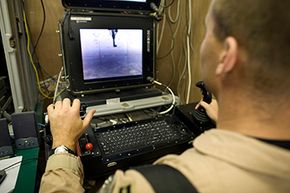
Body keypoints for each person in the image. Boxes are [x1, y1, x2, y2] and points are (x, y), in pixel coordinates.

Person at [40, 0, 290, 192]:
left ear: (227, 56)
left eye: (208, 32)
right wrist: (229, 123)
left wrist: (63, 145)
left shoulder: (150, 185)